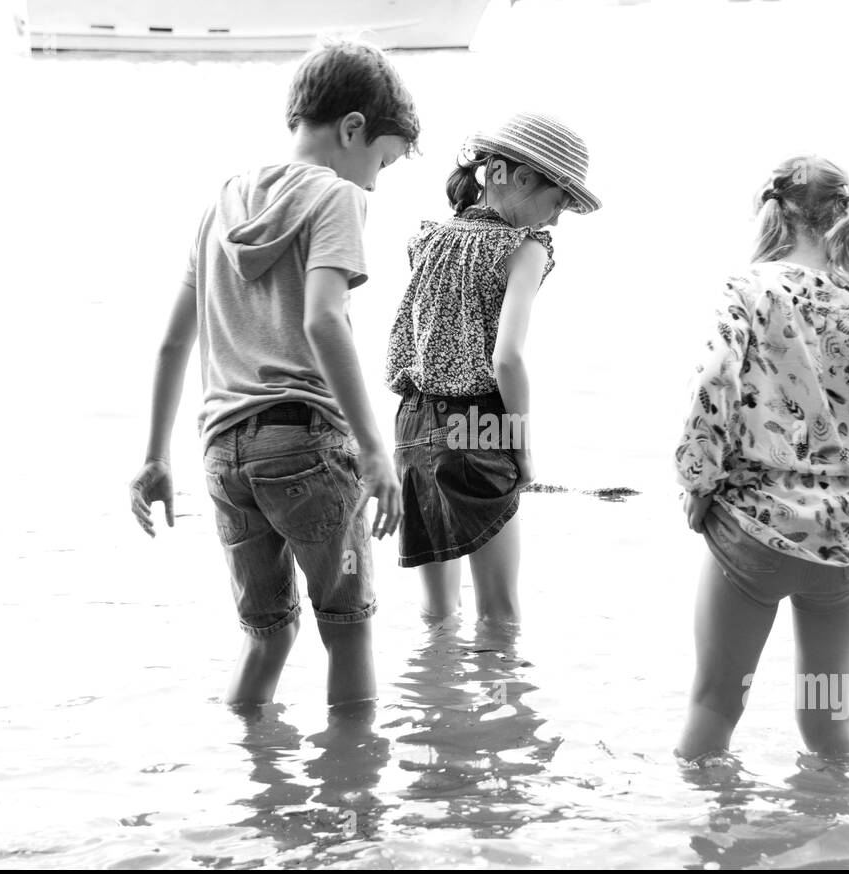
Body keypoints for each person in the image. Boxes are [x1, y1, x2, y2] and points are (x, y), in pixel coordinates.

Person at [128, 40, 418, 707]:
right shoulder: (337, 198)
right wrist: (376, 451)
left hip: (223, 457)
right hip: (304, 446)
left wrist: (153, 457)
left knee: (267, 634)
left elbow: (174, 341)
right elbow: (324, 321)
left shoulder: (223, 201)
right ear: (351, 130)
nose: (374, 181)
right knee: (348, 631)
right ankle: (356, 803)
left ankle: (258, 794)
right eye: (381, 160)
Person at [675, 155, 849, 761]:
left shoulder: (748, 290)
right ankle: (843, 841)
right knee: (828, 718)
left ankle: (708, 848)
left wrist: (698, 482)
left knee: (715, 705)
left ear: (772, 212)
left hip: (750, 542)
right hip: (845, 553)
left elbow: (713, 384)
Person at [384, 112, 601, 622]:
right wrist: (522, 450)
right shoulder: (523, 247)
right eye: (558, 202)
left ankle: (438, 699)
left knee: (437, 611)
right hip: (478, 425)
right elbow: (507, 359)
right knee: (500, 612)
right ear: (521, 177)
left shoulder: (428, 238)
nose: (555, 219)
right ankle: (501, 702)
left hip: (412, 424)